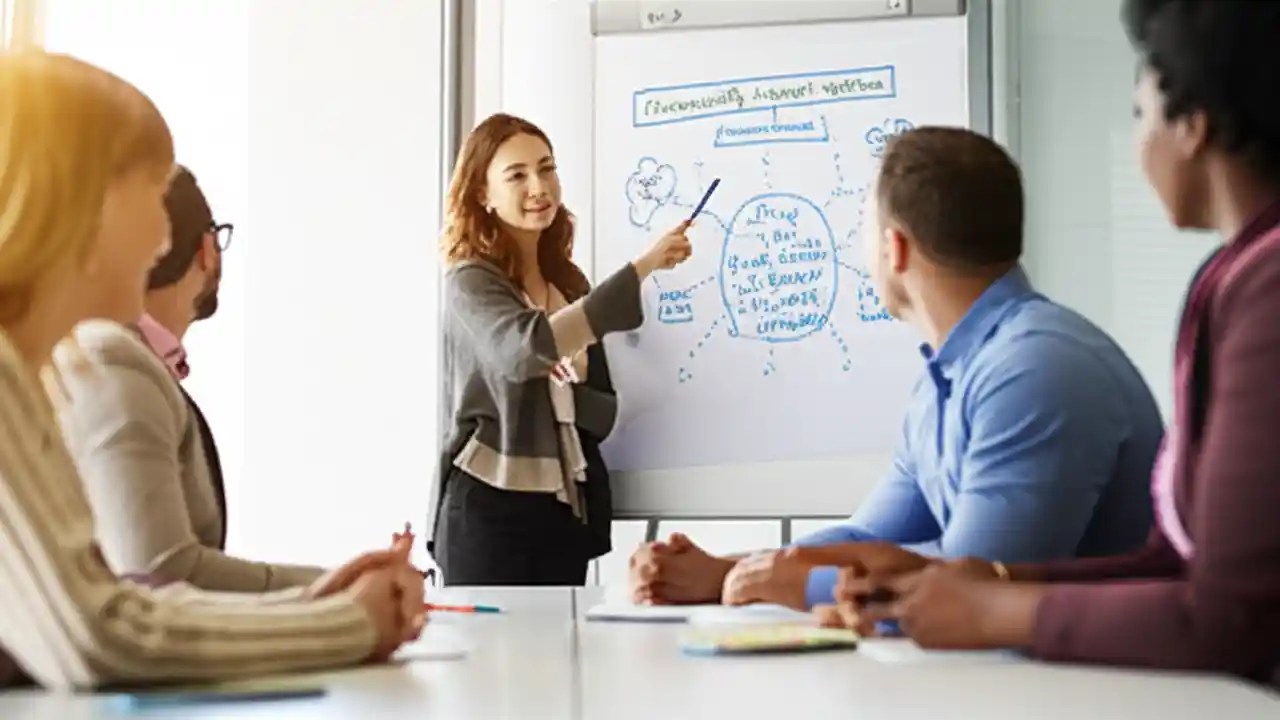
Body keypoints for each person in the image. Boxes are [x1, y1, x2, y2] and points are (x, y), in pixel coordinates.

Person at [815, 0, 1280, 686]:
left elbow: (1230, 617)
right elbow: (1180, 562)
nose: (1134, 139)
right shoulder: (1238, 276)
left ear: (1193, 125)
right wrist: (993, 582)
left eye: (1138, 112)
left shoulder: (1265, 287)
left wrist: (996, 610)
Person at [0, 50, 422, 690]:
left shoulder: (36, 381)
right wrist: (350, 623)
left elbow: (115, 601)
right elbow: (98, 635)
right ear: (88, 201)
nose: (164, 239)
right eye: (152, 192)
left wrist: (323, 604)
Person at [630, 127, 1164, 611]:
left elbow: (973, 587)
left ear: (895, 247)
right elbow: (871, 538)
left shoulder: (1035, 370)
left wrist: (797, 585)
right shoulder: (952, 376)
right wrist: (736, 572)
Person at [430, 113, 693, 585]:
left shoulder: (570, 286)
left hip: (563, 511)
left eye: (547, 168)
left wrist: (566, 394)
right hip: (488, 506)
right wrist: (642, 268)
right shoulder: (469, 281)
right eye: (517, 175)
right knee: (492, 657)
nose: (539, 186)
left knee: (560, 657)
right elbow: (523, 352)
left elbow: (604, 412)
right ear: (483, 195)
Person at [53, 165, 326, 592]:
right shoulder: (116, 363)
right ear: (207, 249)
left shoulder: (124, 360)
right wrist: (338, 589)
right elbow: (162, 575)